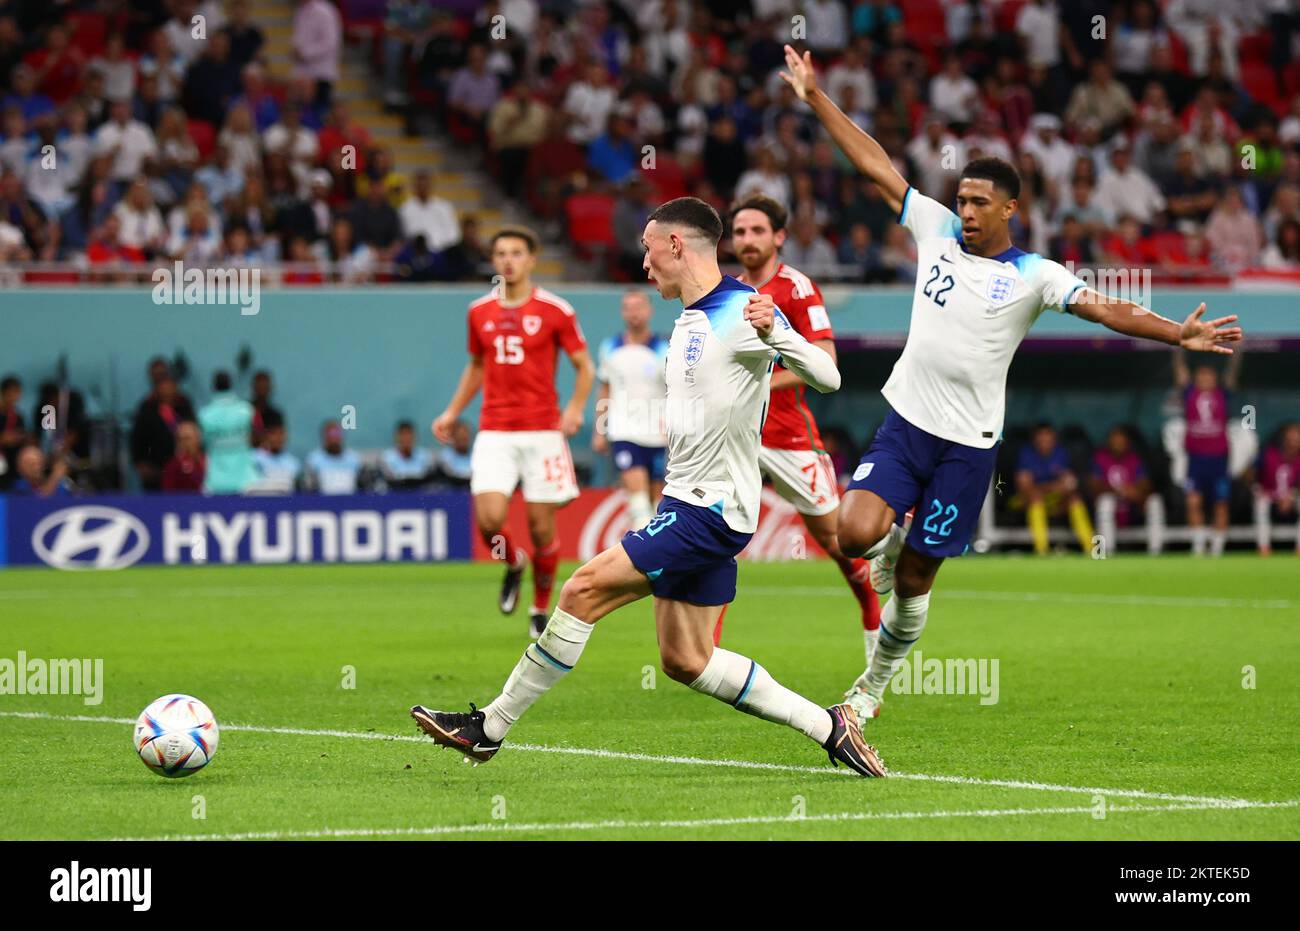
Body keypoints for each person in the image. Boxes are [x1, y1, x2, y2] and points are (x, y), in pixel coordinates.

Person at [780, 46, 1242, 731]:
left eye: (978, 202)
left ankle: (869, 691)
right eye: (961, 199)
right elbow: (877, 168)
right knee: (852, 533)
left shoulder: (1035, 273)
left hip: (968, 449)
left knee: (913, 585)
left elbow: (1106, 307)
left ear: (1009, 210)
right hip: (907, 424)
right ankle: (887, 549)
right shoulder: (933, 231)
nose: (964, 211)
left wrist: (1179, 334)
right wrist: (816, 98)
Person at [411, 196, 886, 778]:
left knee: (582, 589)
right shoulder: (688, 316)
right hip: (689, 501)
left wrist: (779, 335)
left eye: (648, 248)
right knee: (686, 659)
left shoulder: (742, 310)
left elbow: (831, 376)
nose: (643, 263)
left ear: (677, 245)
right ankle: (829, 725)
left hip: (709, 510)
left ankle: (489, 728)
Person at [730, 194, 881, 665]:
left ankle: (876, 615)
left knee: (838, 542)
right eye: (738, 232)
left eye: (757, 230)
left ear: (778, 236)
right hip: (736, 437)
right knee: (717, 537)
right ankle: (703, 655)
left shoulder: (796, 288)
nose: (747, 239)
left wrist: (764, 382)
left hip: (789, 436)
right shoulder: (727, 292)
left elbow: (826, 361)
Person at [432, 227, 595, 640]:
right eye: (501, 253)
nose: (508, 260)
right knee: (489, 522)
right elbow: (477, 366)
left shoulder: (556, 310)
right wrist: (452, 411)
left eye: (516, 253)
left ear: (531, 259)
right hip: (495, 430)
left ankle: (540, 607)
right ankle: (513, 563)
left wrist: (574, 409)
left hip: (542, 432)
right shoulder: (479, 312)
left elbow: (584, 366)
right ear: (493, 260)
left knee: (543, 529)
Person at [592, 290, 668, 531]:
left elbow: (675, 390)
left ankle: (659, 550)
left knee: (656, 498)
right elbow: (604, 389)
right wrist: (600, 429)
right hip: (623, 428)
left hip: (657, 431)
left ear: (650, 311)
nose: (634, 312)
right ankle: (643, 546)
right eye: (629, 307)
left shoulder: (664, 348)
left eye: (639, 307)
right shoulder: (610, 347)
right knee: (637, 496)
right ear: (623, 312)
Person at [1173, 349, 1241, 557]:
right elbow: (1180, 369)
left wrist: (1237, 350)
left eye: (1208, 375)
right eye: (1200, 375)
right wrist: (1179, 344)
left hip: (1218, 459)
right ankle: (1199, 545)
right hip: (1195, 459)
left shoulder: (1223, 393)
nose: (1204, 379)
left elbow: (1233, 371)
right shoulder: (1189, 393)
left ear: (1215, 378)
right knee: (1193, 501)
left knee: (1221, 503)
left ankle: (1217, 547)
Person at [1014, 423, 1094, 555]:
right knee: (1036, 497)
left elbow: (1068, 481)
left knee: (1074, 498)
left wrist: (1065, 487)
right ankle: (1042, 550)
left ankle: (1091, 549)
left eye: (1048, 440)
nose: (1044, 444)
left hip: (1053, 501)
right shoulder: (1026, 454)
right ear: (1035, 441)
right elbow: (1025, 488)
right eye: (1041, 440)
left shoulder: (1060, 452)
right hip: (1025, 501)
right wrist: (1053, 487)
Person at [1089, 425, 1165, 554]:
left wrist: (1136, 492)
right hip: (1109, 507)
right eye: (1115, 441)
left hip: (1131, 508)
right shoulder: (1100, 458)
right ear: (1109, 442)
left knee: (1155, 501)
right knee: (1105, 502)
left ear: (1127, 442)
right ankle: (1105, 551)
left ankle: (1155, 551)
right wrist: (1119, 491)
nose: (1118, 444)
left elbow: (1146, 484)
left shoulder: (1134, 458)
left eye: (1121, 441)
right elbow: (1093, 485)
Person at [196, 371, 257, 494]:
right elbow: (256, 438)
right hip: (246, 480)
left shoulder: (204, 414)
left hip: (214, 481)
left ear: (213, 387)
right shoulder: (247, 410)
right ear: (231, 385)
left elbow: (200, 445)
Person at [1253, 422, 1300, 555]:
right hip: (1268, 493)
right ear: (1283, 439)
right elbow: (1251, 475)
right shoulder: (1268, 454)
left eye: (1297, 440)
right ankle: (1264, 547)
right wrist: (1259, 490)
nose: (1294, 443)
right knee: (1261, 503)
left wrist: (1291, 496)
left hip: (1291, 495)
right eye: (1291, 439)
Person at [305, 421, 361, 495]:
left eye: (337, 434)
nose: (334, 438)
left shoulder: (354, 459)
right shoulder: (314, 460)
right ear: (324, 436)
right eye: (330, 434)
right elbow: (310, 490)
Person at [252, 412, 301, 493]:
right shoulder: (253, 459)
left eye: (281, 433)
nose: (278, 438)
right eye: (273, 433)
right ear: (265, 435)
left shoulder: (294, 463)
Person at [381, 419, 434, 490]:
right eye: (403, 434)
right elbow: (392, 480)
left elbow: (426, 478)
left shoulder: (425, 456)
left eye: (409, 434)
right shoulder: (387, 457)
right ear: (396, 437)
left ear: (415, 437)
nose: (406, 438)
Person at [161, 420, 206, 492]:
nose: (184, 443)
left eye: (187, 438)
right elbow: (168, 495)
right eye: (179, 439)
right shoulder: (172, 466)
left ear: (198, 439)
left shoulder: (209, 461)